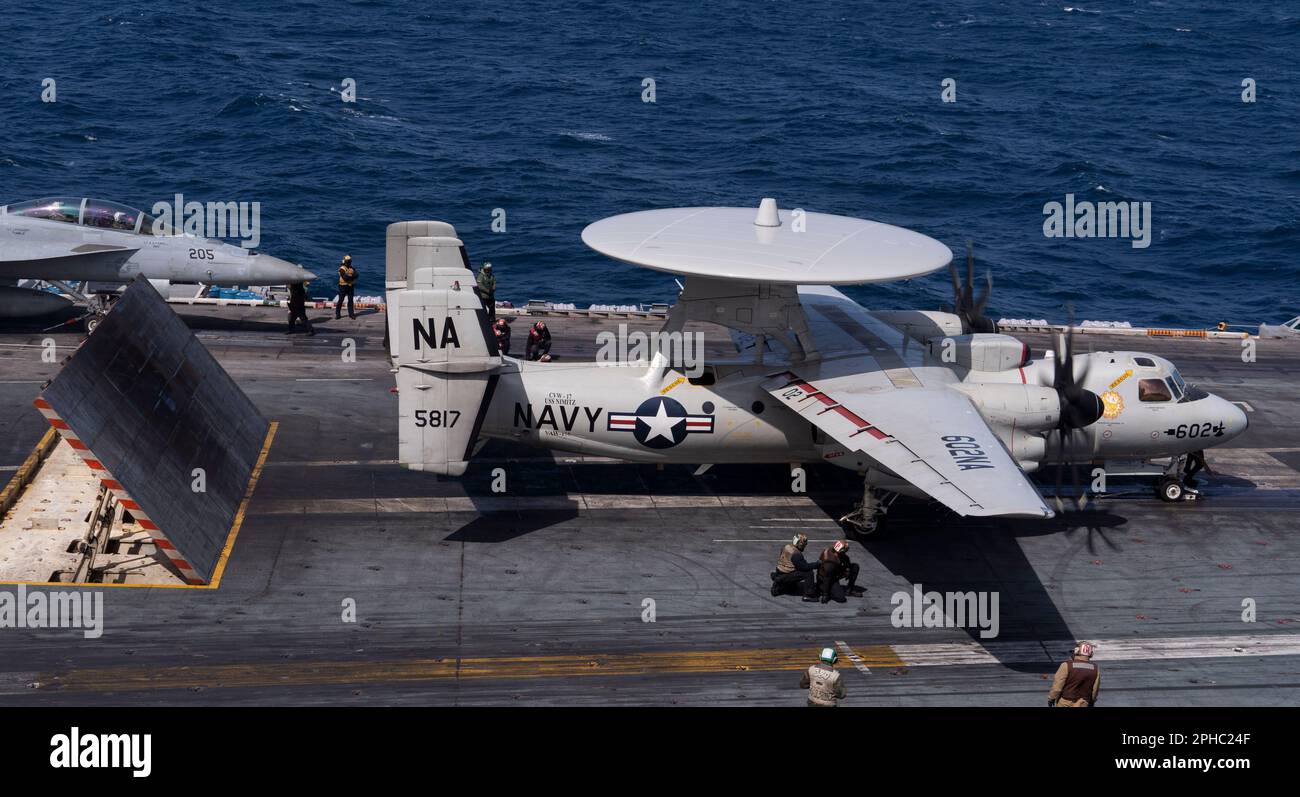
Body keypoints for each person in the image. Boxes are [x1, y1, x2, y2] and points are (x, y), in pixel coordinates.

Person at [1048, 641, 1100, 707]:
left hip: (1065, 703)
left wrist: (1051, 698)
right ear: (1091, 654)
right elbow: (1095, 689)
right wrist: (1092, 701)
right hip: (1083, 703)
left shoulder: (1066, 665)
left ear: (1076, 651)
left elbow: (1057, 686)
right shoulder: (1095, 669)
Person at [770, 533, 820, 601]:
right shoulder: (796, 554)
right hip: (786, 574)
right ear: (800, 544)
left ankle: (779, 579)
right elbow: (804, 567)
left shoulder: (786, 546)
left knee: (793, 588)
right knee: (809, 573)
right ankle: (808, 595)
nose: (804, 546)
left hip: (779, 570)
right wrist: (816, 564)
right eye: (804, 544)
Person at [336, 255, 358, 320]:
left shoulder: (352, 268)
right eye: (348, 261)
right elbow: (345, 278)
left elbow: (357, 275)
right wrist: (352, 276)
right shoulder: (342, 269)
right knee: (341, 300)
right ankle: (338, 314)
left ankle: (351, 314)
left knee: (350, 300)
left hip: (350, 286)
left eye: (350, 261)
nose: (349, 263)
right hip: (343, 286)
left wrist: (350, 276)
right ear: (345, 261)